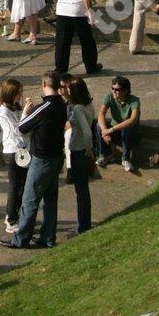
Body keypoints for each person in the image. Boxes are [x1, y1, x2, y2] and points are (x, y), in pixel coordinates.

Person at [0, 71, 67, 250]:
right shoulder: (62, 104)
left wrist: (28, 111)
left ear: (45, 85)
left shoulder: (43, 107)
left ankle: (20, 239)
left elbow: (22, 128)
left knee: (29, 199)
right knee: (50, 200)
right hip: (56, 157)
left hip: (42, 159)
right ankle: (47, 238)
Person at [0, 79, 29, 234]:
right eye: (19, 93)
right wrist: (25, 114)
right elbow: (19, 130)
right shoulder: (3, 111)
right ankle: (11, 219)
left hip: (22, 149)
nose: (21, 96)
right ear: (11, 93)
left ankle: (13, 213)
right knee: (15, 186)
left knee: (21, 185)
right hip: (13, 151)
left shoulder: (14, 107)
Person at [65, 76, 95, 235]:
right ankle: (84, 222)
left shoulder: (77, 108)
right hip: (82, 151)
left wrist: (88, 148)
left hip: (79, 151)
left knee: (81, 192)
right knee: (84, 191)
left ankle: (82, 225)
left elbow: (87, 132)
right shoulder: (88, 105)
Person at [97, 76, 141, 172]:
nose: (114, 91)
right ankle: (104, 155)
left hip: (131, 136)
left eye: (117, 89)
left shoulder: (134, 101)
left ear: (125, 91)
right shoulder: (109, 97)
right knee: (99, 125)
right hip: (116, 134)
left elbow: (133, 120)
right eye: (112, 88)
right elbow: (101, 114)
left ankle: (125, 159)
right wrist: (105, 130)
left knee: (127, 127)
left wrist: (111, 129)